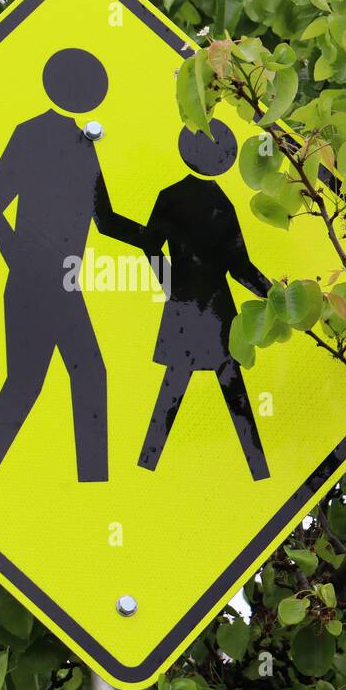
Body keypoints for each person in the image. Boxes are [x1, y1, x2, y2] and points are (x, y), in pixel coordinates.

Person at [0, 48, 144, 483]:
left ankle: (87, 485)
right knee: (46, 381)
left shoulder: (84, 144)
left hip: (60, 284)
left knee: (67, 378)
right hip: (37, 283)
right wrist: (22, 261)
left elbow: (104, 219)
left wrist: (154, 238)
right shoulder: (30, 134)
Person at [136, 119, 272, 481]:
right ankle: (258, 470)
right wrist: (275, 296)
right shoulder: (221, 204)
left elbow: (150, 246)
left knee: (175, 391)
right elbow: (240, 266)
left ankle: (146, 465)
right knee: (232, 394)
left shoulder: (172, 196)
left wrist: (172, 288)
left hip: (188, 309)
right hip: (215, 311)